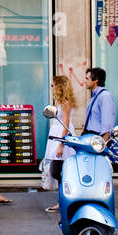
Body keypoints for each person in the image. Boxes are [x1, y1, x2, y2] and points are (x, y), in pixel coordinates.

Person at [43, 75, 76, 213]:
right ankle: (64, 200)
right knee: (58, 170)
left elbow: (66, 124)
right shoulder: (58, 101)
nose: (51, 88)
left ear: (59, 86)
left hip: (62, 138)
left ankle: (66, 199)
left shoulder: (65, 102)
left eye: (53, 85)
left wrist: (61, 145)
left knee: (57, 171)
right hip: (56, 136)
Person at [84, 68, 116, 141]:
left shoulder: (104, 96)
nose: (84, 81)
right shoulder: (95, 96)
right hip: (90, 137)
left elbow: (107, 124)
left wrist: (103, 145)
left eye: (87, 78)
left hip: (98, 138)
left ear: (96, 80)